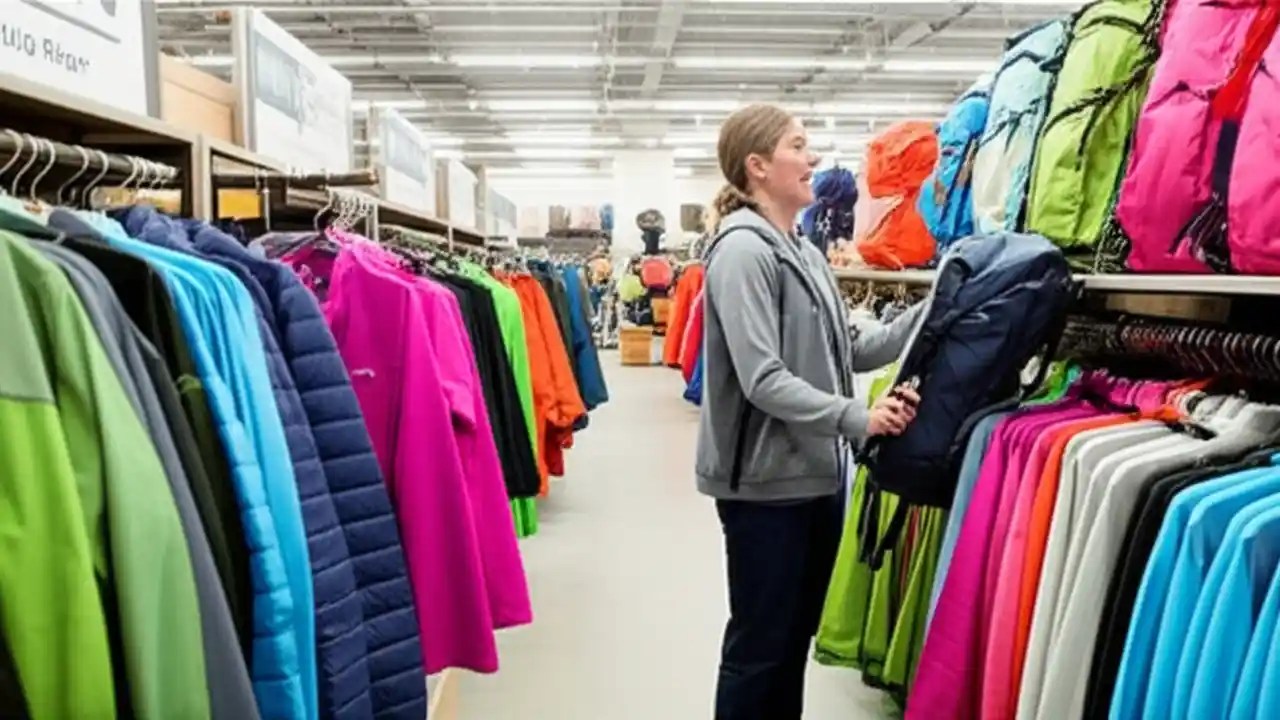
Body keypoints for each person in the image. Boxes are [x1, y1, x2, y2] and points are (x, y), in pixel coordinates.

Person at [695, 103, 924, 719]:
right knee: (760, 648)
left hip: (817, 477)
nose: (814, 159)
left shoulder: (806, 253)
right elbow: (762, 379)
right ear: (759, 166)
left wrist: (932, 308)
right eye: (800, 145)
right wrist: (860, 419)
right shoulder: (743, 252)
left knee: (791, 643)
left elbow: (849, 349)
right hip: (764, 486)